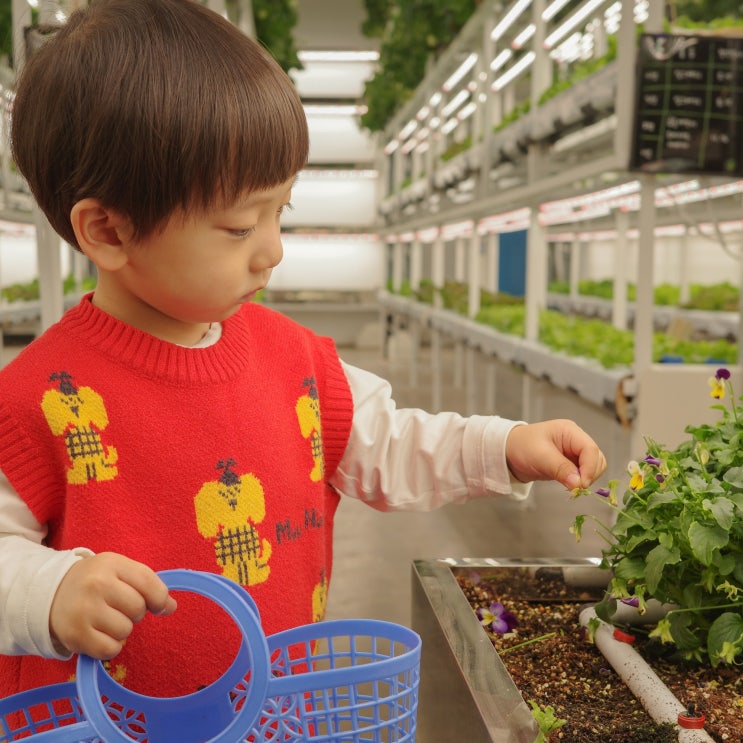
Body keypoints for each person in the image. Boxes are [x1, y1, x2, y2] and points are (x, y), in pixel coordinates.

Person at [0, 0, 606, 701]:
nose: (272, 250)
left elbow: (390, 442)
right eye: (236, 226)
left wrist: (502, 447)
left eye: (278, 211)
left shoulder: (296, 365)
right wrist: (52, 590)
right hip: (96, 721)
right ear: (106, 230)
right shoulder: (36, 398)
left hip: (272, 712)